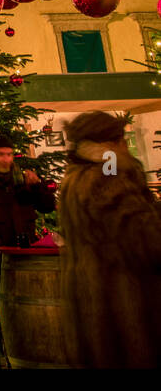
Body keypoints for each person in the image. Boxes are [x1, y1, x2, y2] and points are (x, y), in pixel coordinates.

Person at [58, 110, 161, 368]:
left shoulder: (73, 178)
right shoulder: (108, 177)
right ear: (112, 143)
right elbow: (147, 242)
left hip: (91, 305)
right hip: (125, 311)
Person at [0, 134, 56, 248]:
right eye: (0, 154)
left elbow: (47, 206)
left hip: (24, 251)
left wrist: (37, 186)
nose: (6, 159)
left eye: (9, 154)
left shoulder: (21, 180)